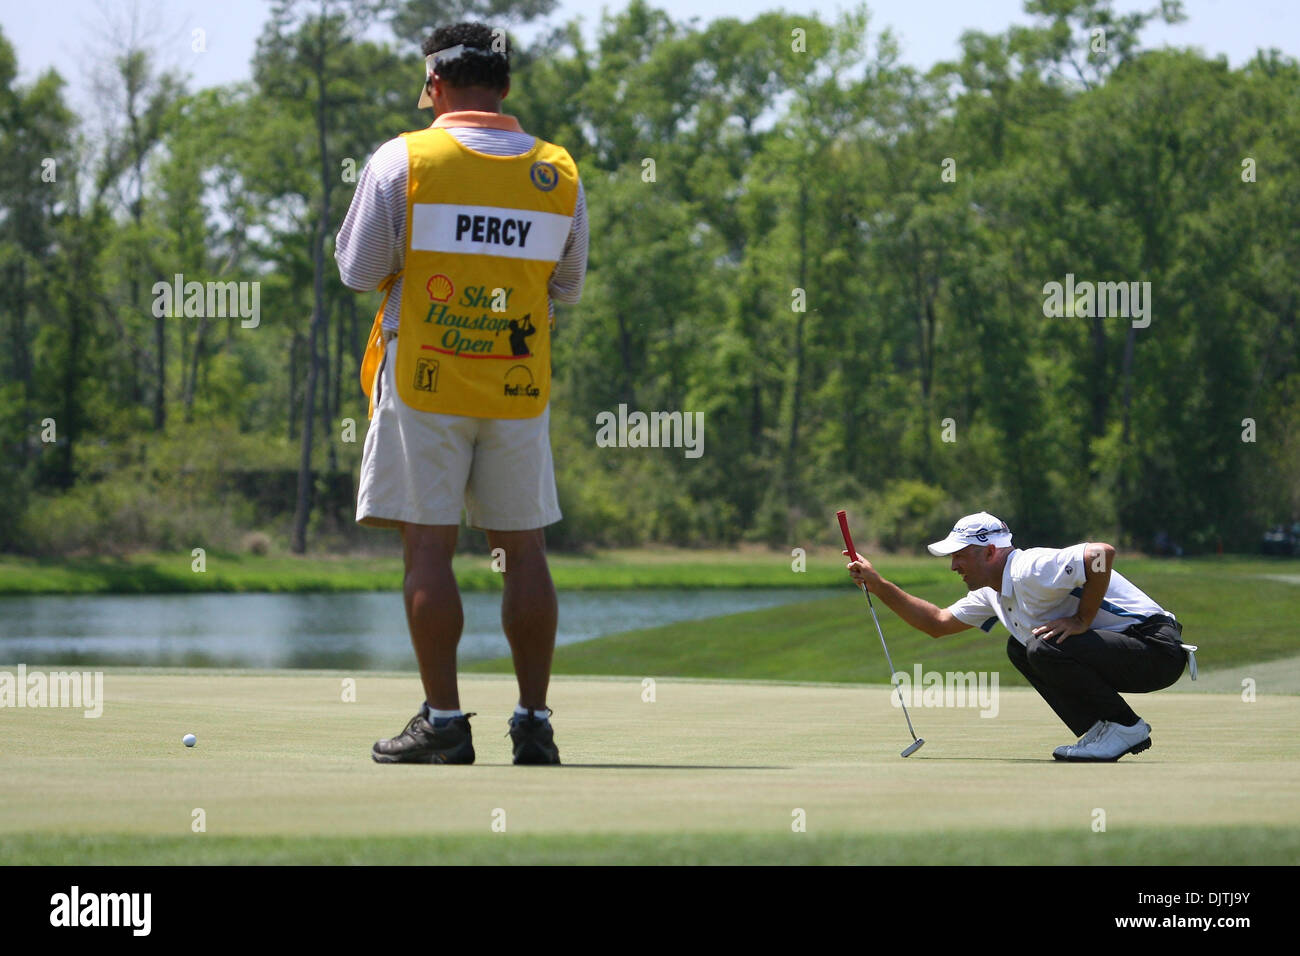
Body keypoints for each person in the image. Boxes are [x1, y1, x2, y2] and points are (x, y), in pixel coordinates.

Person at [335, 22, 588, 765]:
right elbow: (565, 288)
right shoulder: (558, 170)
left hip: (425, 380)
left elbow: (358, 269)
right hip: (517, 385)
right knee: (525, 549)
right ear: (505, 86)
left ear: (435, 85)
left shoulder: (403, 159)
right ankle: (534, 724)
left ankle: (444, 724)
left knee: (427, 548)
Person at [844, 512, 1197, 761]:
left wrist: (1082, 619)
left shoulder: (1030, 567)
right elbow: (937, 623)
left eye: (960, 556)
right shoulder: (992, 592)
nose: (954, 566)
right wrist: (879, 585)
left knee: (1040, 647)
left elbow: (1101, 554)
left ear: (990, 551)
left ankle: (1124, 726)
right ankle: (1102, 731)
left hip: (1157, 650)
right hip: (1128, 654)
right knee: (1021, 647)